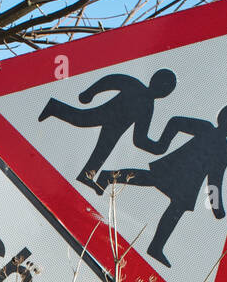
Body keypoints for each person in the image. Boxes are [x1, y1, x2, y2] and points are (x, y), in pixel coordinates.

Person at [97, 102, 227, 268]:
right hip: (177, 167)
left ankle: (156, 246)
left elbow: (214, 181)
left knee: (174, 203)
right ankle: (107, 176)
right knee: (148, 179)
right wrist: (163, 144)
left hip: (189, 181)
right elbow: (176, 122)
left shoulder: (223, 151)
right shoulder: (207, 130)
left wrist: (217, 208)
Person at [38, 69, 177, 193]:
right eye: (164, 88)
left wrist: (160, 147)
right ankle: (54, 107)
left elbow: (139, 139)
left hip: (116, 128)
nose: (163, 92)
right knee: (81, 119)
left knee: (102, 150)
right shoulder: (136, 87)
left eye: (166, 90)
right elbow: (111, 80)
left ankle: (87, 175)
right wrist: (89, 92)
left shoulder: (148, 106)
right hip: (107, 114)